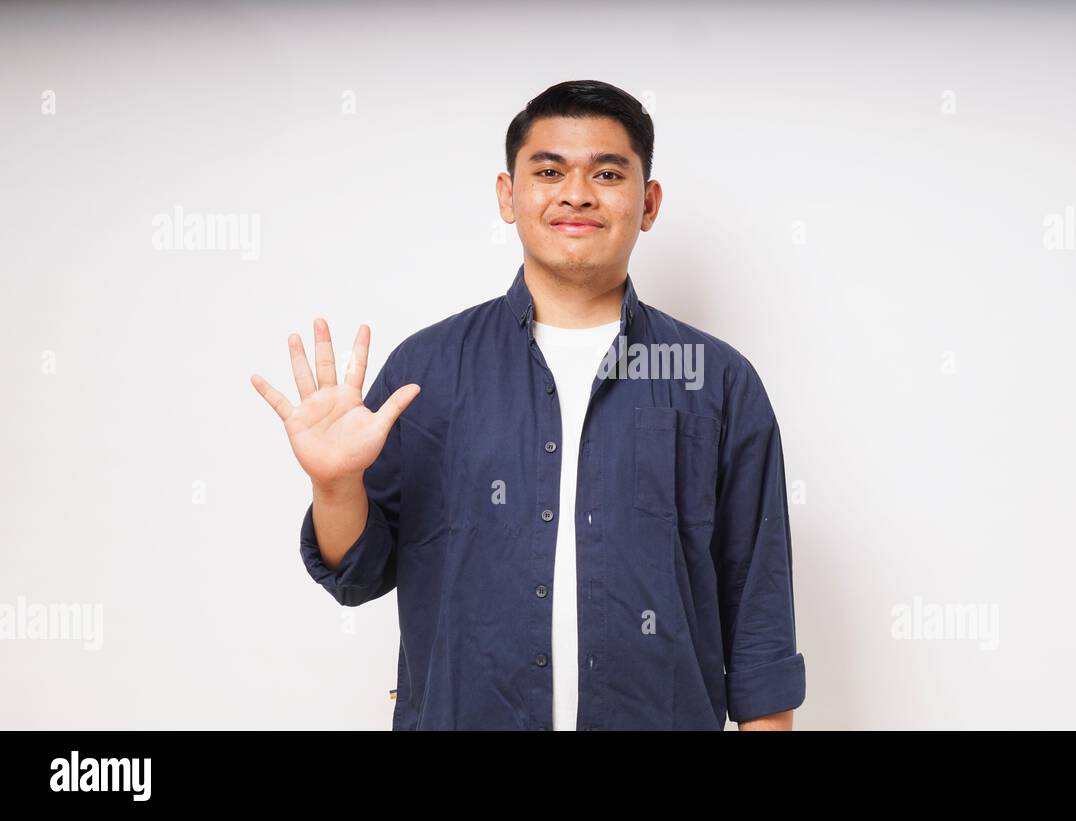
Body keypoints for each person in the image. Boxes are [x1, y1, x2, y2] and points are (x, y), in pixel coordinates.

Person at [251, 80, 805, 730]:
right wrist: (335, 483)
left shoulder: (717, 382)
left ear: (648, 202)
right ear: (508, 196)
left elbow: (758, 617)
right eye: (549, 171)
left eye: (606, 172)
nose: (576, 193)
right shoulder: (426, 372)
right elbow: (358, 573)